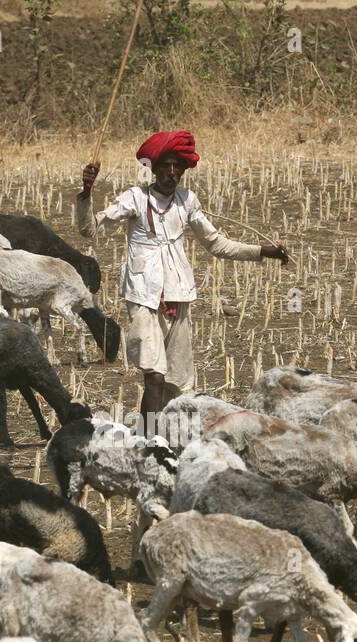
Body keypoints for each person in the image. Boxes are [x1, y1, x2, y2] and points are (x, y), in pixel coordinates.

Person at [77, 130, 288, 429]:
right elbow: (89, 229)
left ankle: (159, 435)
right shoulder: (135, 198)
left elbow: (216, 243)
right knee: (154, 375)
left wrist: (262, 252)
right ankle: (149, 440)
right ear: (155, 168)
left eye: (179, 167)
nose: (173, 173)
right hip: (144, 298)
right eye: (167, 165)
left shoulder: (187, 201)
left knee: (175, 382)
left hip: (178, 295)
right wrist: (86, 192)